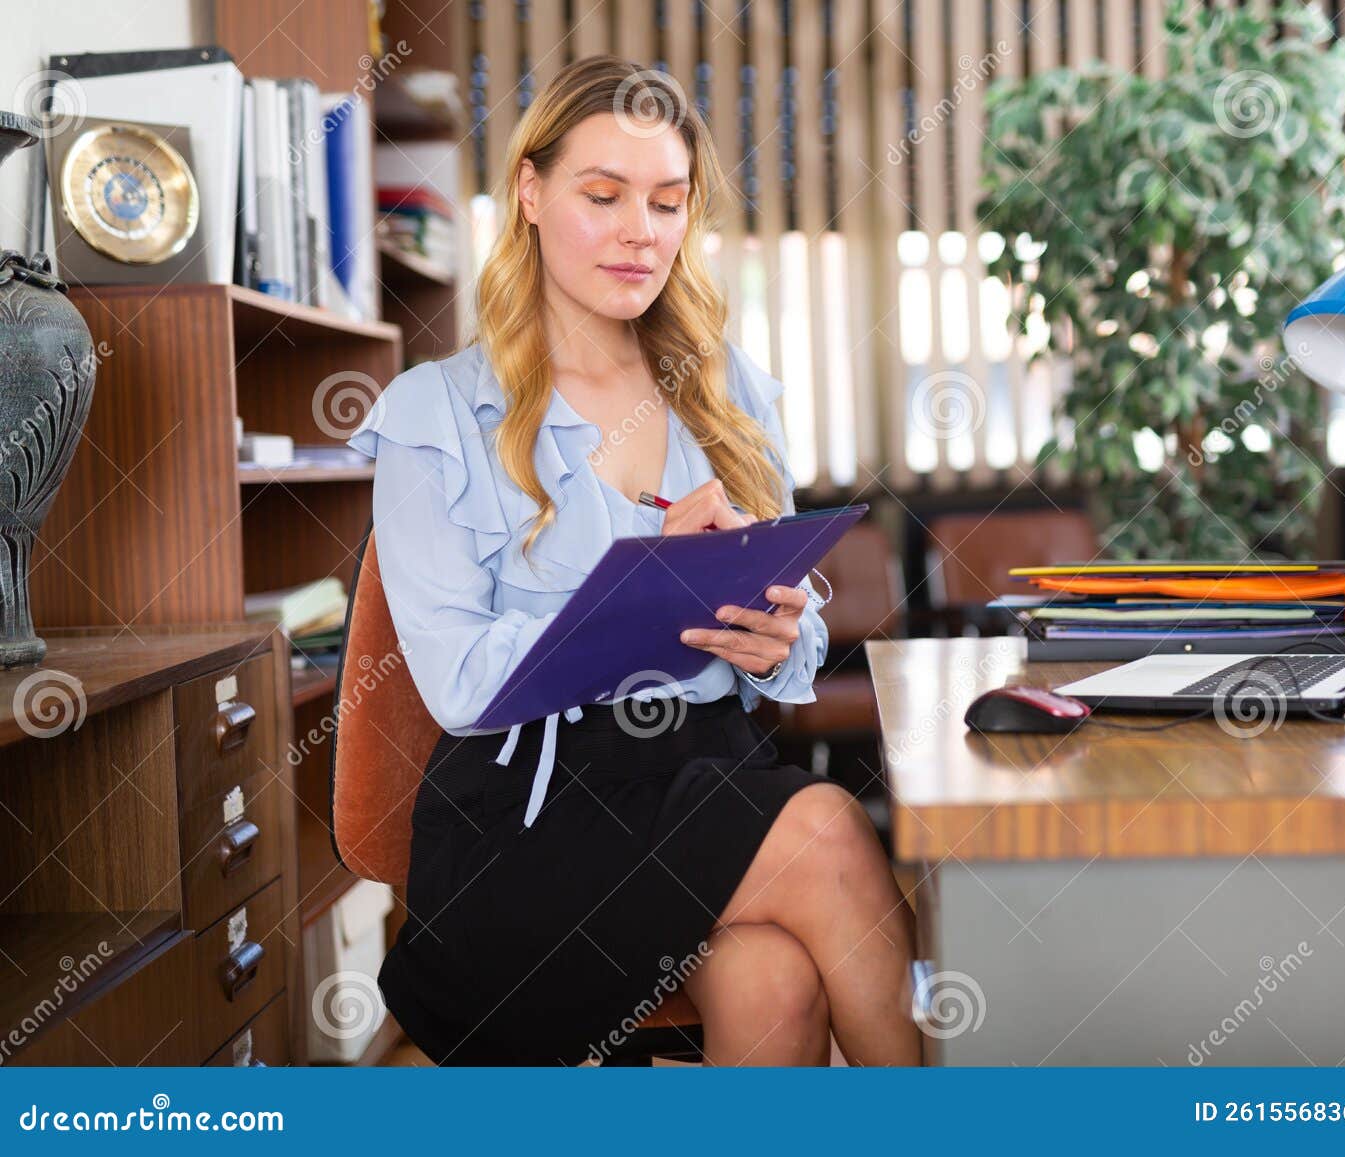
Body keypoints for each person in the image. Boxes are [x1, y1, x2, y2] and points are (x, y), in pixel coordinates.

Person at [345, 55, 920, 1067]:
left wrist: (774, 639)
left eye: (666, 201)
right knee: (828, 825)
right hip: (533, 807)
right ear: (528, 192)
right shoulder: (433, 413)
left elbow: (799, 639)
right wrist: (631, 589)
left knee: (772, 980)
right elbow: (458, 684)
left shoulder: (729, 386)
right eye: (601, 195)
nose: (638, 231)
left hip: (703, 769)